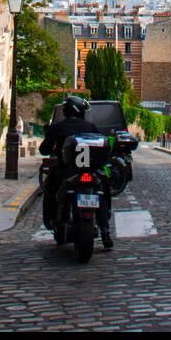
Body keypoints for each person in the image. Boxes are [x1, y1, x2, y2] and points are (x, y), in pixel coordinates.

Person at [39, 96, 113, 250]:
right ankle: (105, 231)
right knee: (102, 192)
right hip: (89, 169)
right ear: (80, 112)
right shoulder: (90, 126)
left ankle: (54, 220)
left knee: (51, 191)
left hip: (66, 170)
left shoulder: (57, 127)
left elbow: (43, 149)